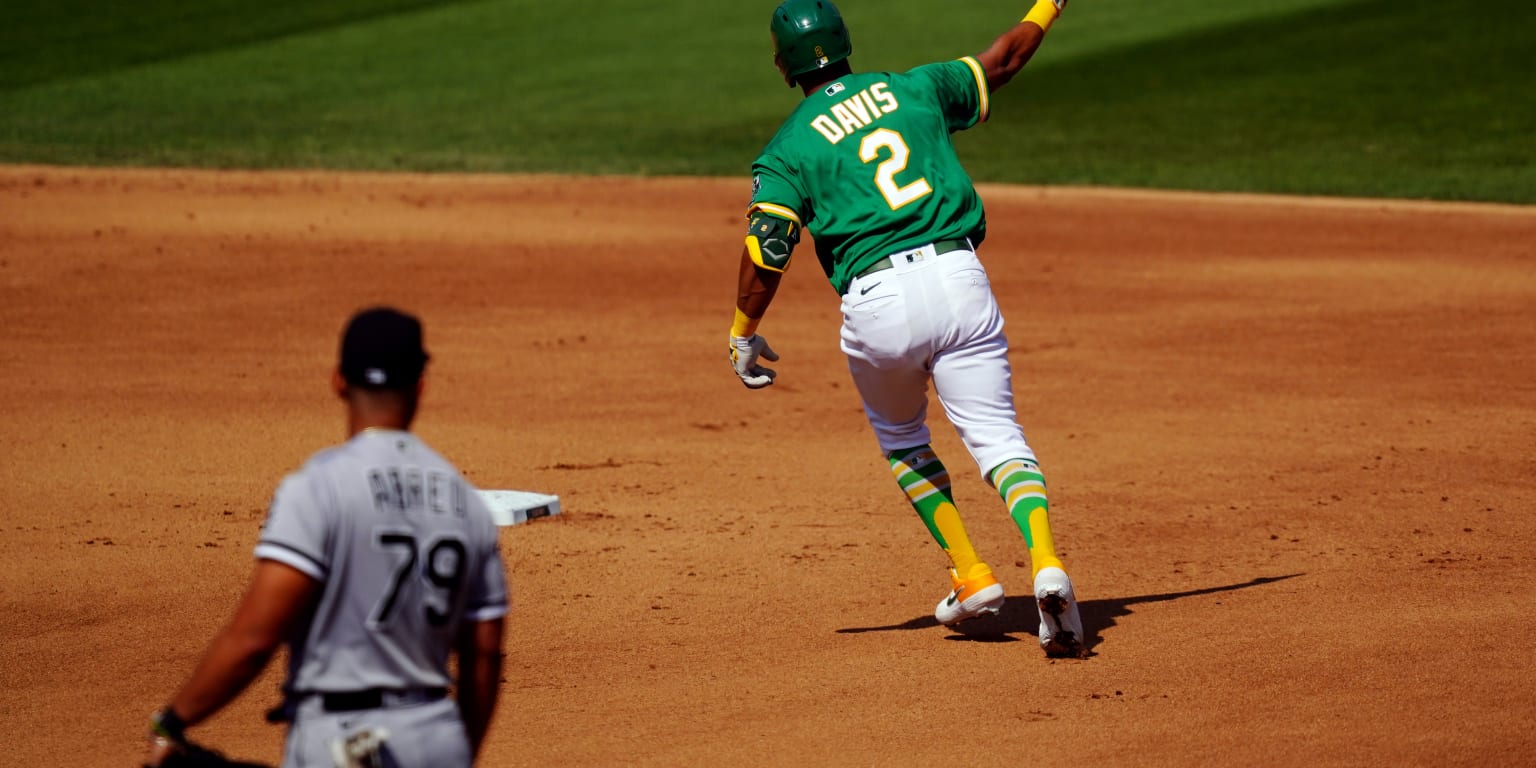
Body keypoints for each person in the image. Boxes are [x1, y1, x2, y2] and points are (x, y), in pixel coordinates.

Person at [728, 0, 1084, 657]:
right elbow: (1002, 60)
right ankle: (1046, 560)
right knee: (998, 435)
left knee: (902, 436)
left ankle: (972, 574)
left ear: (785, 69)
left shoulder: (787, 149)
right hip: (958, 278)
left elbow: (767, 247)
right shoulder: (913, 87)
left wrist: (743, 329)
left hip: (877, 303)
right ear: (845, 44)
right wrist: (1048, 4)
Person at [144, 307, 509, 767]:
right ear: (419, 388)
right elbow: (485, 650)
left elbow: (256, 638)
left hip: (340, 740)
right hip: (435, 733)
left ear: (338, 381)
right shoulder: (466, 502)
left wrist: (174, 720)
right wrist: (457, 749)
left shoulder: (319, 487)